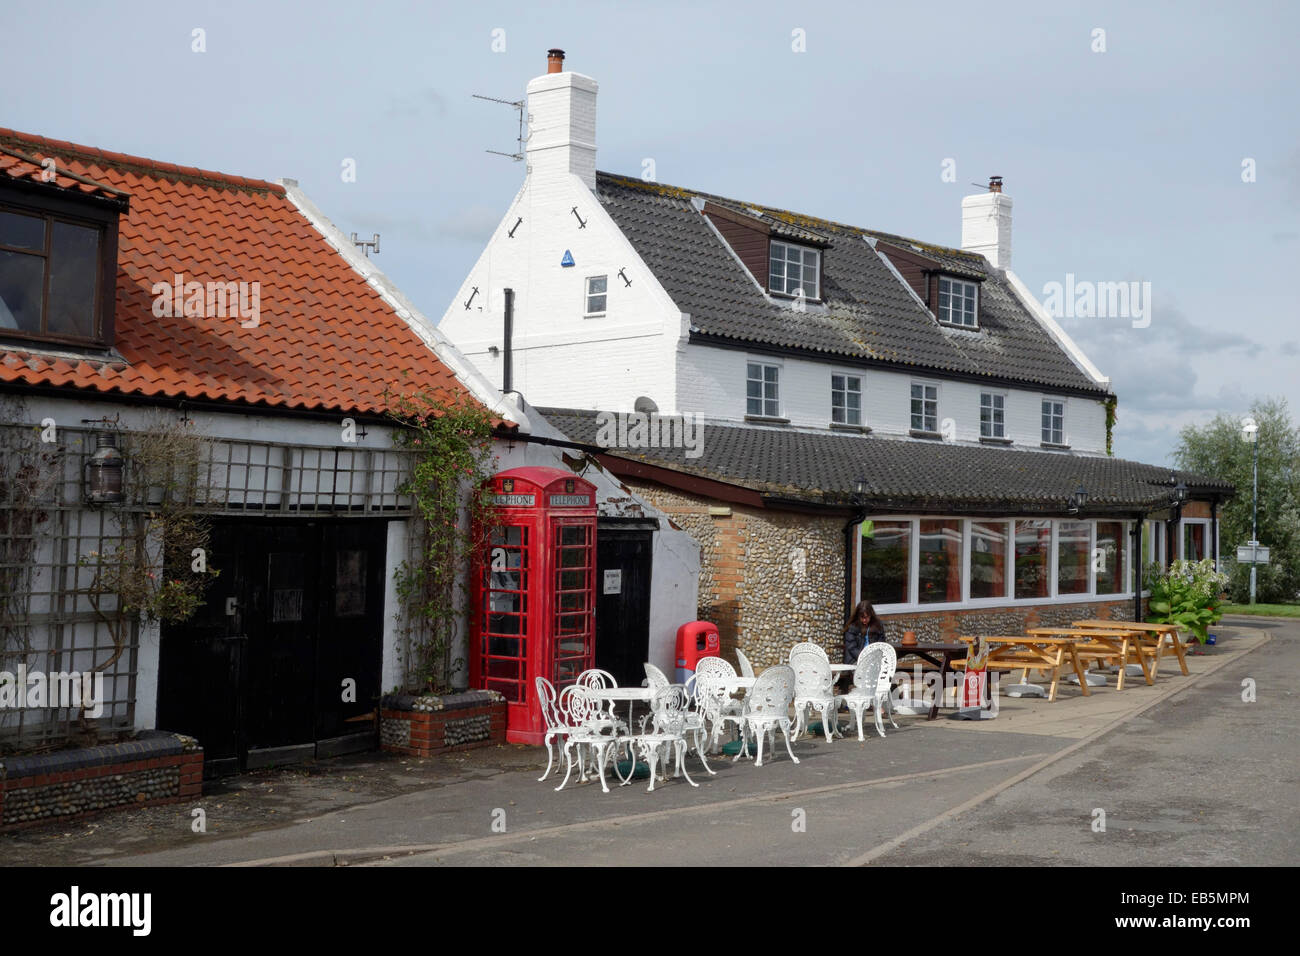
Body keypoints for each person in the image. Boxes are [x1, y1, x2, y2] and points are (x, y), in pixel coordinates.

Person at [839, 600, 886, 693]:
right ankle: (867, 697)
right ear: (858, 616)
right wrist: (864, 657)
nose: (864, 620)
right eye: (862, 617)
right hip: (855, 660)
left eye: (867, 617)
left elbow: (881, 644)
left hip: (873, 658)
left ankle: (882, 695)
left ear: (871, 615)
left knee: (885, 671)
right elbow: (852, 648)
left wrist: (874, 657)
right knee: (865, 672)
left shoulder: (878, 626)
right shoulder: (852, 627)